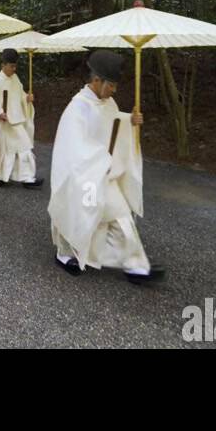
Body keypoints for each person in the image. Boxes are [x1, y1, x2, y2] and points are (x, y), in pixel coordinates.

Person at [47, 50, 164, 283]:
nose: (114, 90)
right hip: (83, 176)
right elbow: (73, 148)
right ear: (96, 80)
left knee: (119, 214)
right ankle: (65, 254)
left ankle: (136, 266)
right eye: (110, 85)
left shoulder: (108, 103)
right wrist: (98, 164)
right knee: (78, 213)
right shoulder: (77, 108)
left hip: (104, 172)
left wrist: (129, 121)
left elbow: (111, 122)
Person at [0, 48, 42, 189]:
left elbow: (20, 95)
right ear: (3, 65)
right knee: (0, 150)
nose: (14, 69)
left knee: (24, 146)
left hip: (15, 120)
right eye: (11, 66)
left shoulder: (15, 79)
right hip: (1, 122)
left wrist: (27, 98)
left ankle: (27, 178)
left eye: (15, 65)